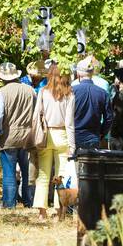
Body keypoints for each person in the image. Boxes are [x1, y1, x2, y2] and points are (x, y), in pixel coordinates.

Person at [33, 66, 76, 218]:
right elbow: (70, 123)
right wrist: (72, 145)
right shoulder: (69, 94)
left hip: (46, 134)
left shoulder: (43, 92)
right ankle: (59, 210)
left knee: (43, 173)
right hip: (62, 134)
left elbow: (37, 114)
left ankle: (41, 211)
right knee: (61, 175)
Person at [0, 62, 39, 208]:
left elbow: (0, 115)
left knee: (9, 172)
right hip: (28, 137)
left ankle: (9, 203)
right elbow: (37, 112)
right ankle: (29, 200)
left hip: (8, 137)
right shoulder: (30, 90)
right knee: (27, 172)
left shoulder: (1, 93)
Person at [72, 58, 110, 150]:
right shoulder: (102, 93)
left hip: (74, 136)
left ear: (79, 74)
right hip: (93, 136)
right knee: (91, 164)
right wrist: (102, 133)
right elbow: (109, 118)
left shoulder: (72, 91)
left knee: (74, 164)